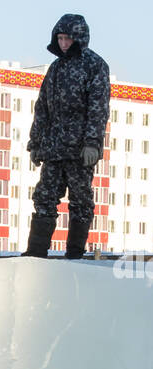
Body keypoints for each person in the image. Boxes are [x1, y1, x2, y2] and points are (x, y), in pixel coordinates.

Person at [24, 13, 110, 260]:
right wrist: (36, 142)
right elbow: (42, 108)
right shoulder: (56, 68)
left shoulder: (95, 65)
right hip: (53, 148)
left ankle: (74, 254)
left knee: (81, 200)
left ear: (79, 38)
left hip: (80, 150)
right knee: (44, 197)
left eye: (67, 39)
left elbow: (98, 108)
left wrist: (92, 143)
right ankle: (36, 253)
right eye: (60, 38)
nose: (63, 44)